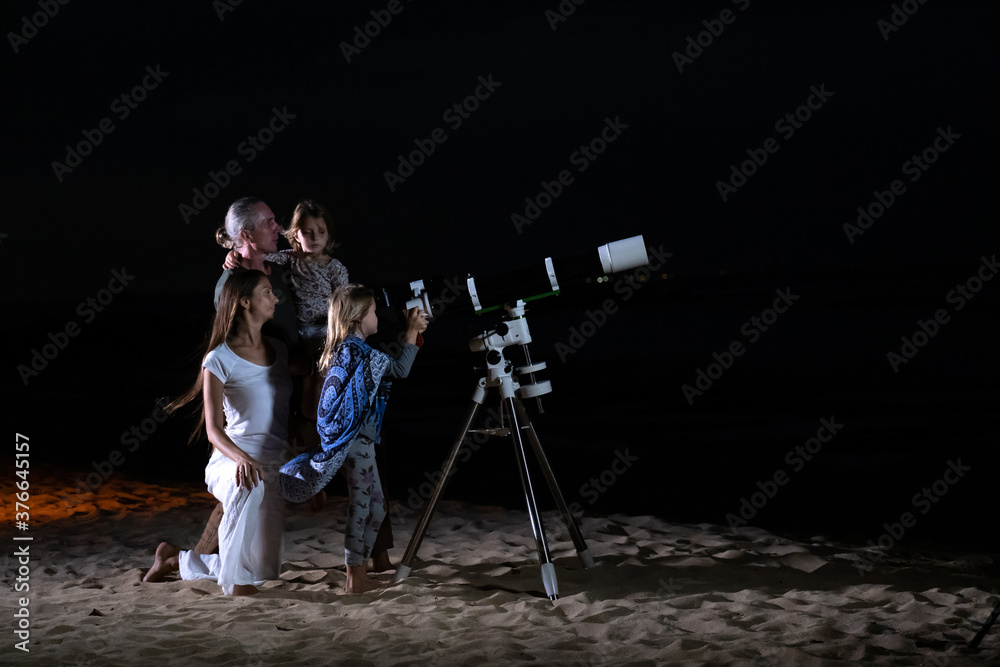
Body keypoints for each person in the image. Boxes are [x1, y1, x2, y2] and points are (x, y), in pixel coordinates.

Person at [144, 270, 291, 595]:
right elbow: (213, 430)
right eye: (267, 292)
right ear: (244, 302)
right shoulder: (219, 359)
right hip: (231, 458)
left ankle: (174, 559)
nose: (275, 298)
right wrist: (242, 459)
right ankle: (236, 584)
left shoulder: (280, 351)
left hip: (273, 463)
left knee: (266, 570)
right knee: (246, 485)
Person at [279, 285, 428, 594]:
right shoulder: (360, 352)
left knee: (375, 508)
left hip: (358, 442)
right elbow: (399, 370)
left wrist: (410, 332)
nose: (378, 317)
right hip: (356, 443)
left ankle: (357, 570)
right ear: (360, 317)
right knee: (362, 507)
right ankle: (354, 576)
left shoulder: (345, 349)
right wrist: (411, 331)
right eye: (373, 312)